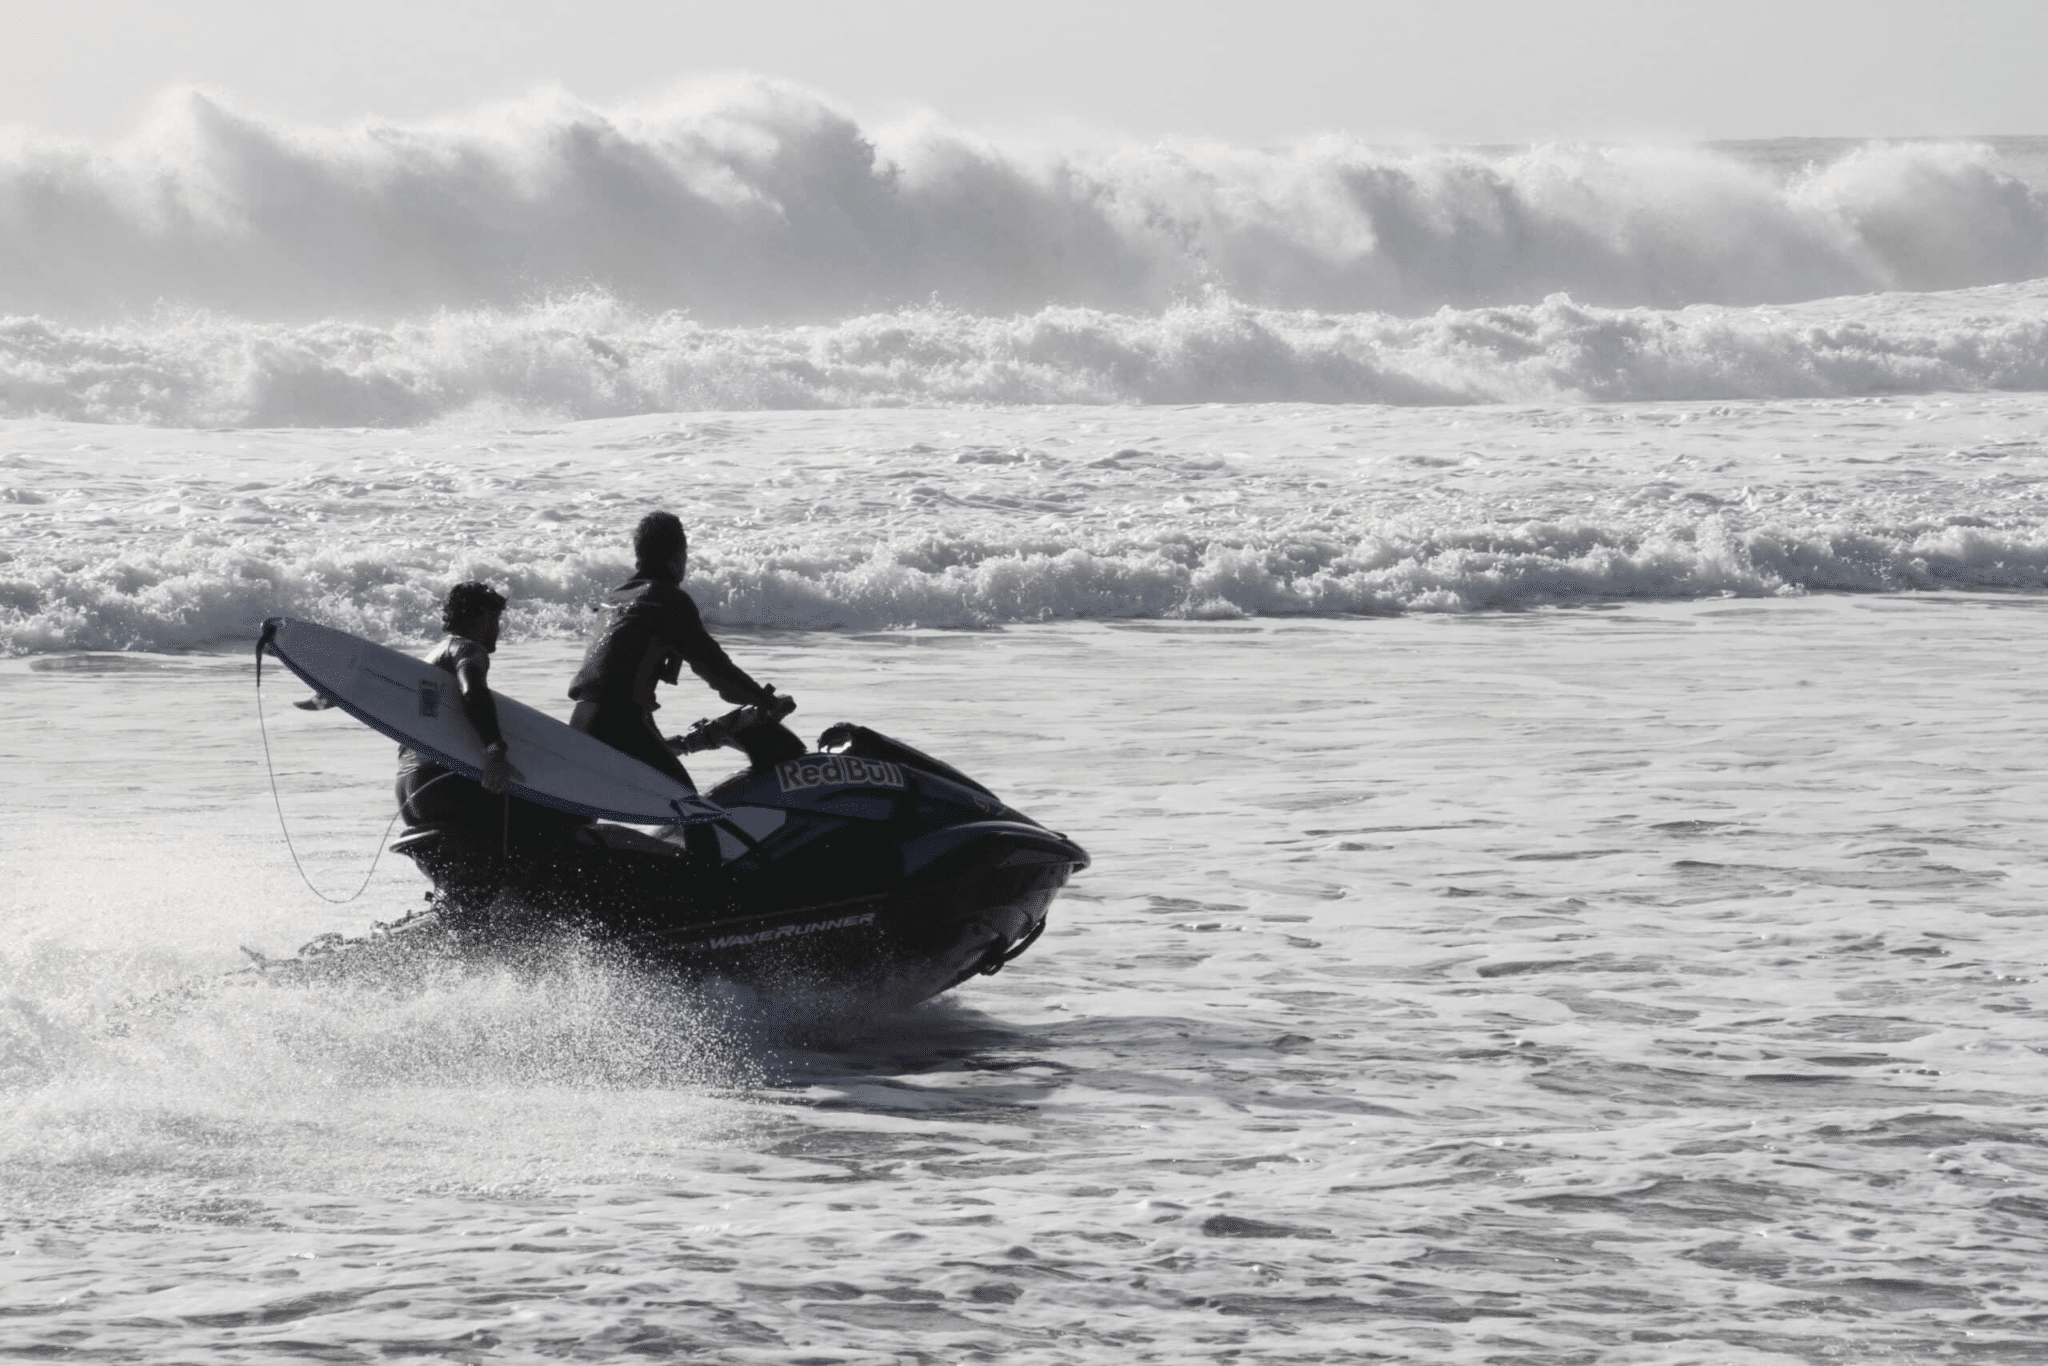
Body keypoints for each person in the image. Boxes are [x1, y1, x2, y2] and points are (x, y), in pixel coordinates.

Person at [567, 511, 785, 790]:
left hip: (581, 720)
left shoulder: (615, 598)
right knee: (691, 810)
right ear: (676, 558)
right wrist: (764, 700)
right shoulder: (667, 599)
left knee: (585, 813)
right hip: (622, 721)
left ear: (639, 557)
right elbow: (716, 670)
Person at [395, 581, 537, 842]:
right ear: (482, 616)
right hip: (441, 785)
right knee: (546, 818)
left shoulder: (428, 660)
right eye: (495, 620)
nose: (498, 629)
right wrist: (495, 751)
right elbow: (473, 692)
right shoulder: (466, 648)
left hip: (408, 790)